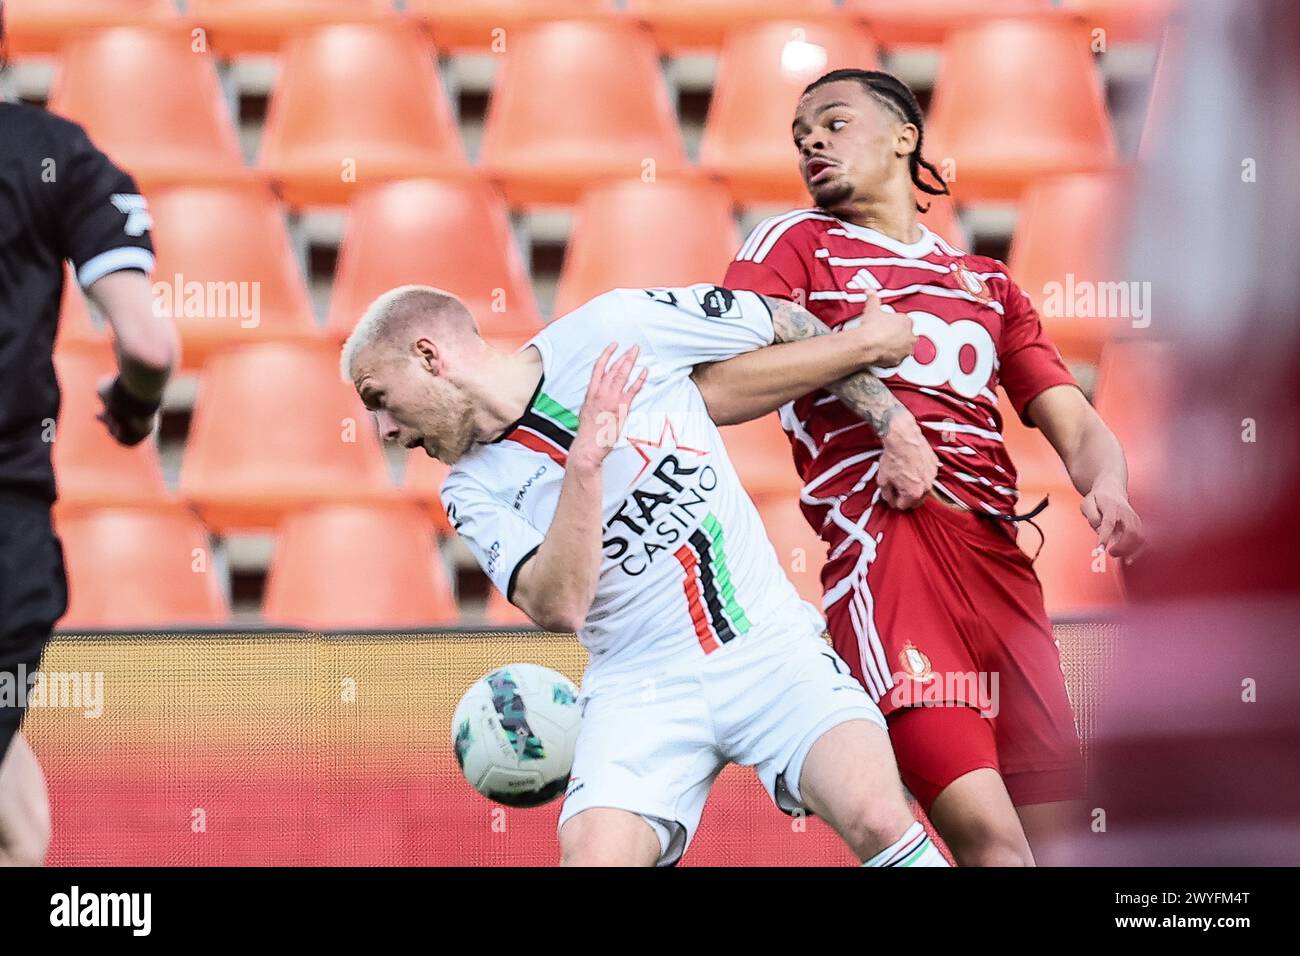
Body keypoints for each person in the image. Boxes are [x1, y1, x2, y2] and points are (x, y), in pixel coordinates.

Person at [696, 69, 1144, 865]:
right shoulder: (795, 245)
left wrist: (1108, 486)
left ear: (905, 137)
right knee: (994, 845)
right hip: (892, 567)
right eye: (801, 136)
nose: (812, 144)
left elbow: (1076, 425)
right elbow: (715, 390)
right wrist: (860, 353)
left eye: (833, 123)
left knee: (1067, 851)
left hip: (1004, 578)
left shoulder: (988, 283)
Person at [341, 282, 948, 867]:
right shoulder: (470, 491)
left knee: (878, 816)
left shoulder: (617, 327)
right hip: (638, 689)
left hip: (768, 645)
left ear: (429, 355)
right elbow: (560, 606)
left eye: (379, 400)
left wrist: (889, 419)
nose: (386, 432)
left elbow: (777, 321)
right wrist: (586, 461)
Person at [0, 22, 179, 863]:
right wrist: (135, 407)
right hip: (8, 527)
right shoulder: (56, 156)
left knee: (20, 826)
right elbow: (147, 345)